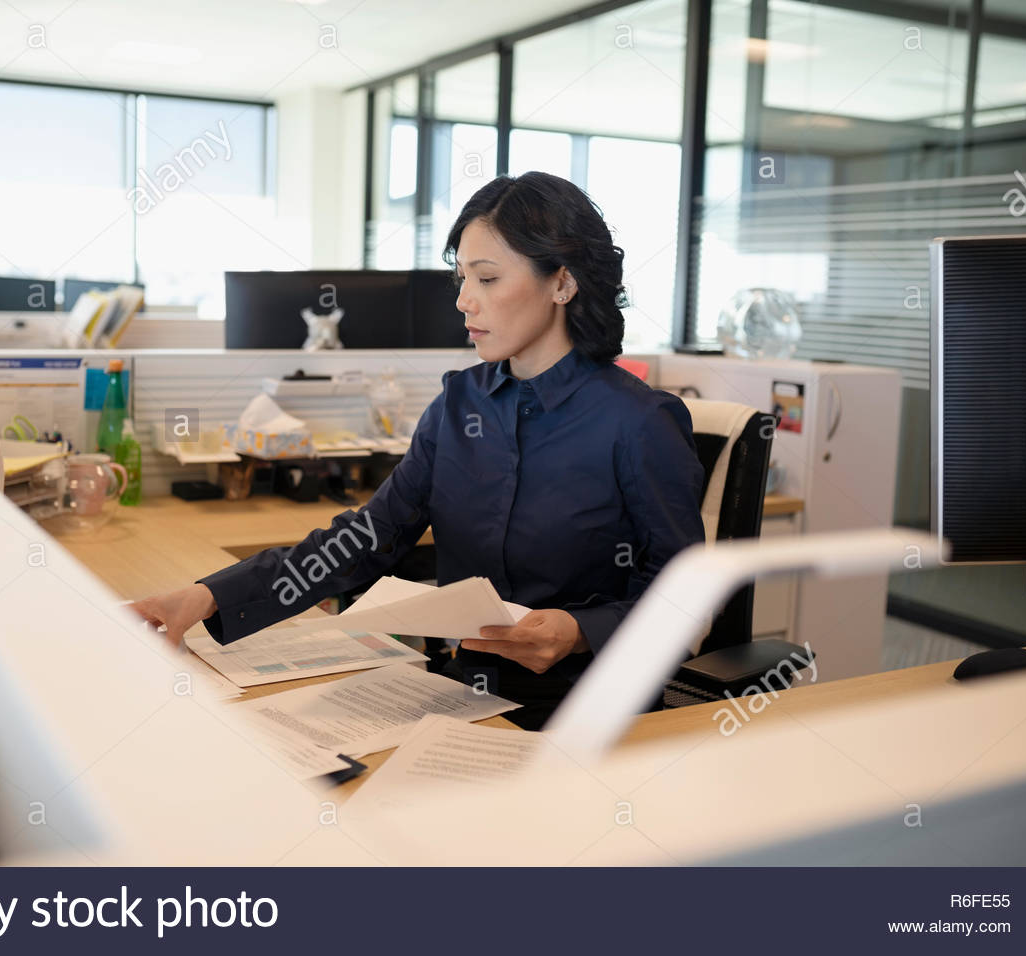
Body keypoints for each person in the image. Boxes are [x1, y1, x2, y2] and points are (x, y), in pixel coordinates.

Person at [131, 171, 706, 729]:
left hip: (595, 711)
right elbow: (364, 541)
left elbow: (686, 604)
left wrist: (579, 630)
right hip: (468, 697)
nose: (463, 302)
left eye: (486, 279)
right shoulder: (459, 406)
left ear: (562, 282)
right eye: (461, 279)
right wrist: (205, 597)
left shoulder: (637, 423)